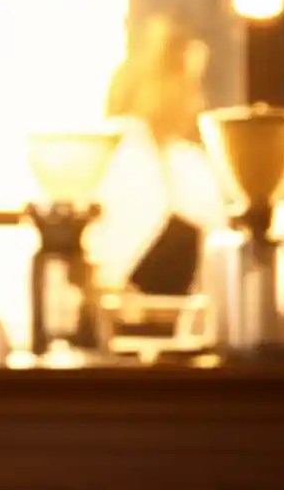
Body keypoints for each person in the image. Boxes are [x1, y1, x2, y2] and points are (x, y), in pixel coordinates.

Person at [89, 15, 228, 295]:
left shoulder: (189, 162)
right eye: (188, 83)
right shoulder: (113, 155)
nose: (196, 100)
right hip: (119, 307)